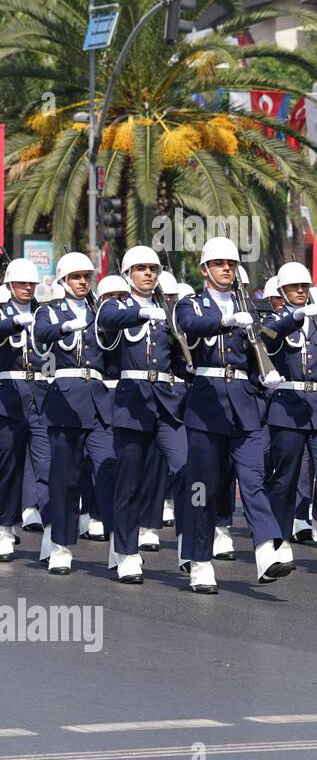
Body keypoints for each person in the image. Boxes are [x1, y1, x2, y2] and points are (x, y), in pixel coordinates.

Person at [174, 236, 293, 593]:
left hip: (243, 402)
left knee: (253, 478)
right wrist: (227, 321)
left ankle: (264, 549)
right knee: (203, 489)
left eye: (232, 263)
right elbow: (190, 327)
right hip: (207, 406)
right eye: (220, 263)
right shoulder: (192, 304)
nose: (227, 268)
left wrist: (292, 321)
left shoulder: (249, 306)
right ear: (205, 270)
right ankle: (199, 560)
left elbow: (266, 339)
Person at [96, 246, 188, 584]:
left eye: (153, 268)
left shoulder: (169, 309)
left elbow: (180, 358)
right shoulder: (116, 306)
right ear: (128, 273)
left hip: (167, 401)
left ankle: (191, 547)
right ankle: (127, 553)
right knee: (129, 483)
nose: (149, 273)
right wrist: (142, 314)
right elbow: (107, 321)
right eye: (141, 268)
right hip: (132, 404)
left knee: (187, 470)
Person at [33, 252, 117, 574]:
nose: (83, 282)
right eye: (77, 277)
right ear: (64, 280)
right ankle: (61, 546)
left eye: (87, 277)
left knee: (109, 472)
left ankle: (122, 547)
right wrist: (65, 326)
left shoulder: (99, 313)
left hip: (98, 404)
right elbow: (42, 334)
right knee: (65, 480)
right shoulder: (49, 311)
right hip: (65, 403)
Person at [261, 263, 317, 556]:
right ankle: (279, 538)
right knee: (285, 476)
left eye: (304, 287)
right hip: (288, 406)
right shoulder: (274, 320)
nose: (300, 291)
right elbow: (269, 337)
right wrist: (293, 319)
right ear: (282, 291)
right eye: (294, 287)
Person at [0, 258, 50, 562]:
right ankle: (5, 526)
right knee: (8, 467)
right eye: (21, 283)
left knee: (48, 468)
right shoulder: (3, 312)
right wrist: (12, 323)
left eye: (31, 284)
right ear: (9, 285)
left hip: (41, 397)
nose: (27, 288)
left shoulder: (42, 313)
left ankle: (53, 532)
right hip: (9, 397)